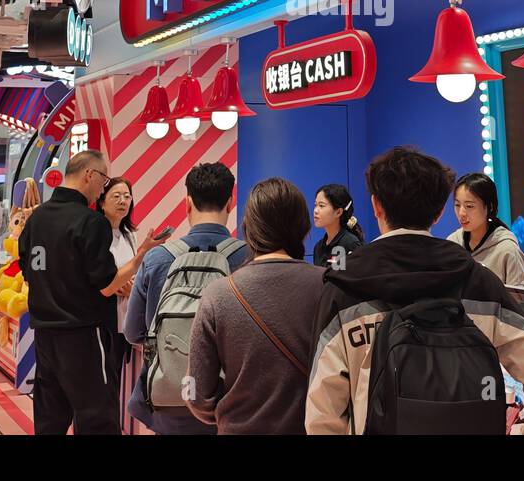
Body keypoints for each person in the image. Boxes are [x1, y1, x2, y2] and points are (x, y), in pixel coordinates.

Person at [306, 146, 524, 435]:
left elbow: (322, 412)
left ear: (376, 205)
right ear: (440, 211)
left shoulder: (344, 288)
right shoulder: (478, 282)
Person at [187, 177, 324, 434]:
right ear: (303, 227)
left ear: (247, 226)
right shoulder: (328, 287)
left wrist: (228, 412)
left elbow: (196, 393)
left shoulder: (217, 294)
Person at [123, 161, 250, 435]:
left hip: (169, 400)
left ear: (187, 203)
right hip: (229, 401)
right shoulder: (249, 257)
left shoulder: (157, 259)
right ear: (231, 202)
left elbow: (133, 333)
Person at [18, 150, 128, 434]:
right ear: (89, 174)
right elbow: (105, 285)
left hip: (44, 334)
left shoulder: (37, 218)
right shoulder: (91, 222)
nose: (103, 189)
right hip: (85, 335)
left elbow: (28, 272)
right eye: (104, 180)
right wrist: (140, 258)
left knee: (50, 420)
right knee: (97, 418)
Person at [97, 177, 169, 394]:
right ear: (102, 202)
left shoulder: (129, 235)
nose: (123, 201)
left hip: (125, 318)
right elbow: (108, 279)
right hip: (103, 318)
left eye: (127, 196)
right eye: (116, 196)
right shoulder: (97, 234)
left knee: (115, 380)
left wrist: (133, 288)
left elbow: (132, 271)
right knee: (103, 382)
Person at [447, 173, 524, 288]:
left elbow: (521, 301)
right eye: (457, 205)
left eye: (469, 206)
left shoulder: (507, 249)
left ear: (489, 207)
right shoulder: (452, 245)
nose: (461, 213)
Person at [312, 183, 364, 270]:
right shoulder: (318, 247)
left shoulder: (350, 244)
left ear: (338, 212)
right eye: (315, 205)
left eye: (321, 205)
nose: (315, 211)